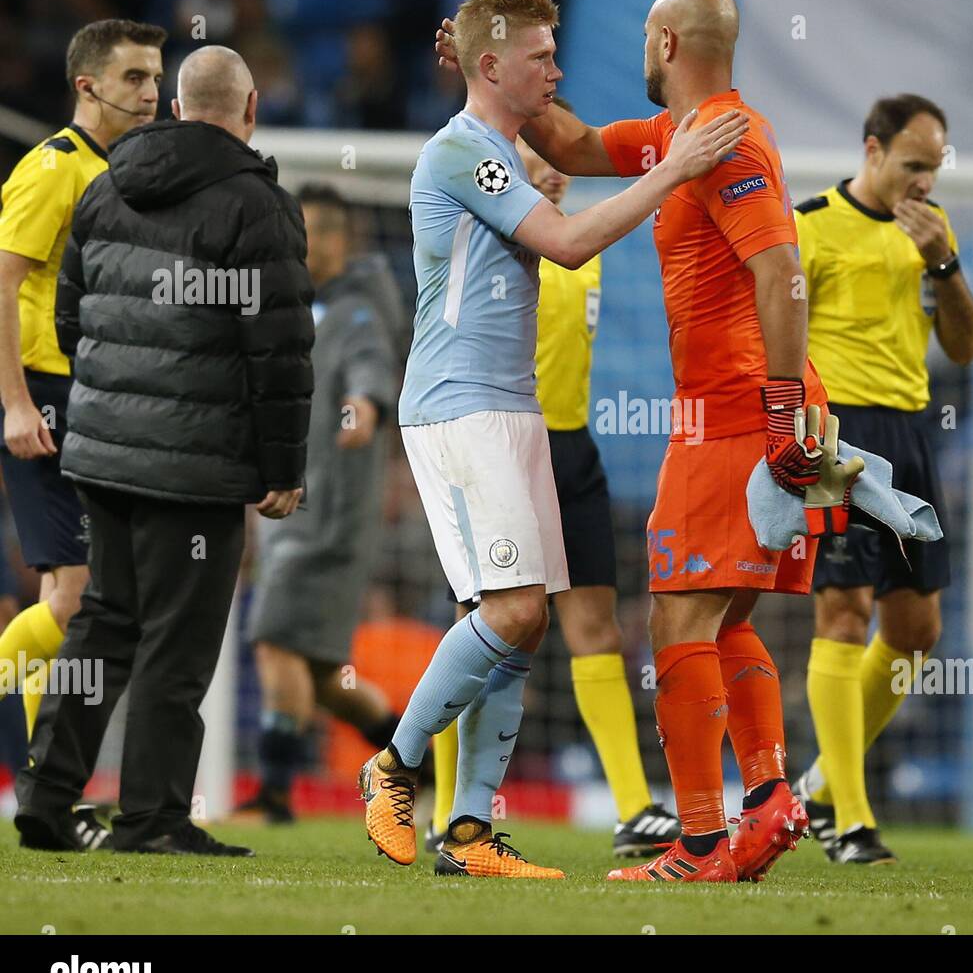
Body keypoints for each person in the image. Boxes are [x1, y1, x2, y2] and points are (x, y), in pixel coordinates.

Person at [444, 0, 846, 884]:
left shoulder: (727, 141)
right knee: (726, 618)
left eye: (641, 35)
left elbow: (783, 271)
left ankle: (701, 843)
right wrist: (496, 75)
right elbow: (577, 146)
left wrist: (782, 403)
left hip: (741, 410)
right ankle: (772, 799)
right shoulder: (678, 137)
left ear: (664, 40)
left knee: (673, 618)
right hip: (745, 406)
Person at [358, 0, 747, 879]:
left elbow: (561, 183)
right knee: (516, 610)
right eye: (541, 57)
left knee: (519, 625)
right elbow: (568, 245)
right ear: (492, 67)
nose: (558, 69)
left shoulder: (502, 146)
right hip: (460, 405)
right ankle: (392, 765)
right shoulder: (464, 153)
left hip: (515, 406)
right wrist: (673, 169)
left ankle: (467, 835)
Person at [15, 45, 314, 857]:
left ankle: (45, 796)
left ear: (177, 108)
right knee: (177, 646)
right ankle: (150, 818)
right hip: (196, 464)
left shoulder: (105, 186)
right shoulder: (258, 205)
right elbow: (279, 353)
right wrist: (283, 469)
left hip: (102, 452)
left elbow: (69, 319)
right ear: (249, 110)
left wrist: (113, 406)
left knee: (103, 624)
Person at [428, 119, 681, 858]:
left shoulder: (581, 246)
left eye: (567, 154)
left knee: (595, 628)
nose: (560, 166)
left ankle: (635, 809)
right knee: (483, 629)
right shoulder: (482, 241)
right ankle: (452, 813)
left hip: (570, 450)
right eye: (541, 152)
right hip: (499, 447)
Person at [789, 95, 973, 864]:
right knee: (843, 612)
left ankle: (819, 790)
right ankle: (851, 819)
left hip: (910, 430)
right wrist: (797, 439)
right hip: (836, 429)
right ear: (871, 150)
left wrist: (946, 263)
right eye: (912, 165)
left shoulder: (931, 234)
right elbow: (780, 340)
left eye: (934, 169)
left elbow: (964, 348)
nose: (923, 183)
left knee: (916, 633)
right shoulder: (810, 225)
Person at [0, 18, 165, 851]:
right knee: (73, 602)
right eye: (133, 78)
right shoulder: (52, 168)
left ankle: (42, 791)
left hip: (91, 394)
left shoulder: (113, 172)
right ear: (87, 86)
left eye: (156, 77)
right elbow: (4, 280)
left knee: (65, 603)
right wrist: (15, 403)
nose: (150, 93)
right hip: (45, 394)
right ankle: (48, 788)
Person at [237, 183, 409, 824]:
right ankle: (410, 761)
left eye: (313, 234)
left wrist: (363, 409)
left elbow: (370, 370)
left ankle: (274, 797)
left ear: (339, 239)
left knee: (272, 637)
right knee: (323, 679)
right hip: (298, 510)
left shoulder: (357, 309)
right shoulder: (310, 306)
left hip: (329, 513)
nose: (302, 247)